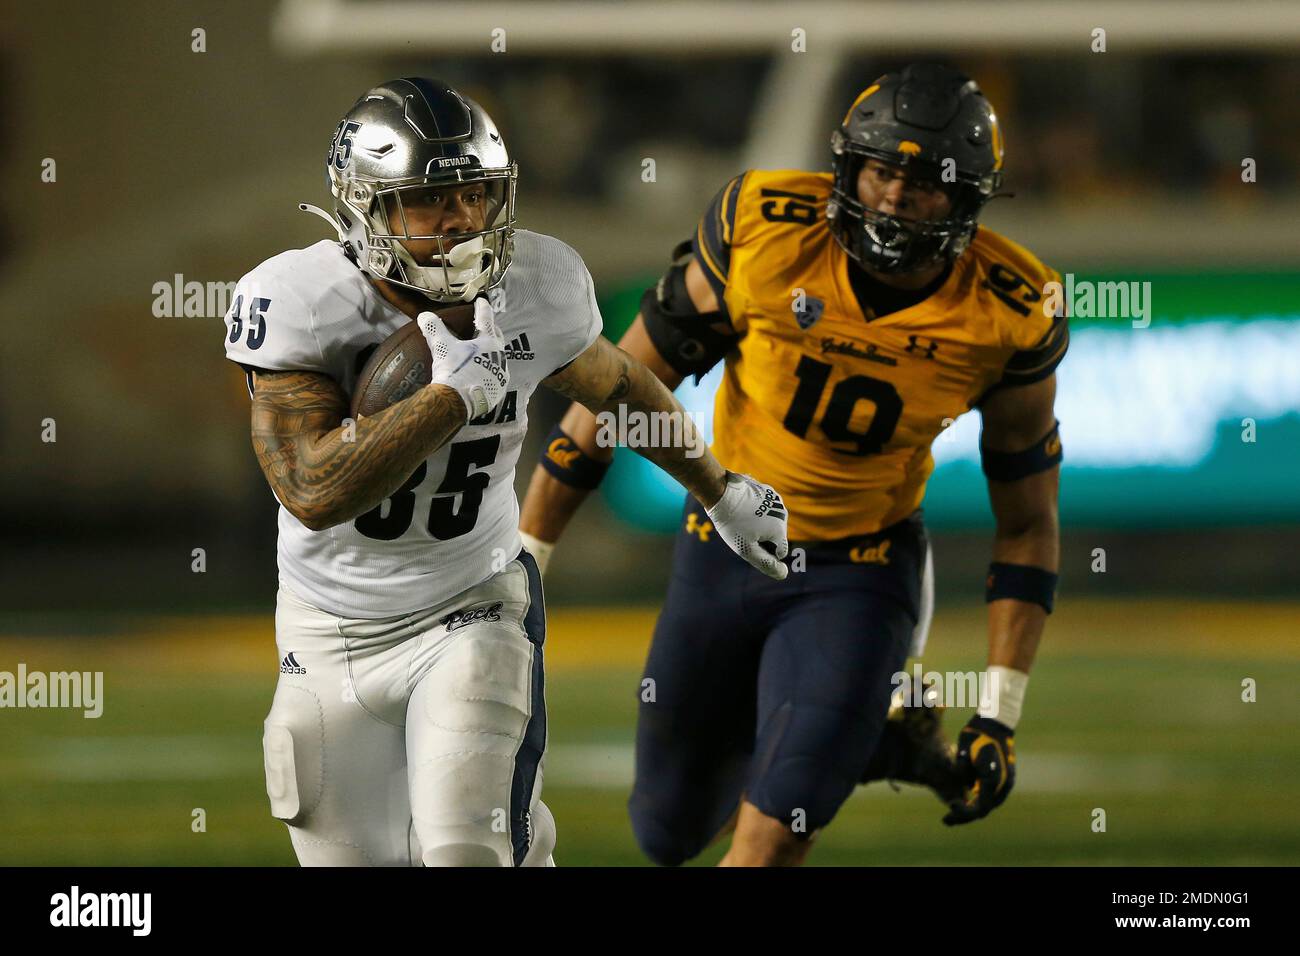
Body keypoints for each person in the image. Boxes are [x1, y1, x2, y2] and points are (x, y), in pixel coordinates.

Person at [223, 77, 789, 866]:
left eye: (476, 193)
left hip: (471, 603)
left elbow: (619, 385)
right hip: (327, 633)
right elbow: (311, 490)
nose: (461, 220)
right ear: (367, 205)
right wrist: (455, 396)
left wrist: (719, 490)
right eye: (430, 200)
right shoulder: (302, 300)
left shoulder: (533, 284)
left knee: (468, 850)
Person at [519, 64, 1067, 866]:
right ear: (848, 167)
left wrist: (999, 711)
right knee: (666, 831)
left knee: (771, 835)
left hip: (860, 568)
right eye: (881, 170)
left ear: (968, 200)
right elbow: (616, 392)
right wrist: (525, 567)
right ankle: (879, 746)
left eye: (922, 184)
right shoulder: (769, 230)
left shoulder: (1010, 309)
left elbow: (1027, 522)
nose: (892, 197)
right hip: (725, 544)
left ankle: (839, 738)